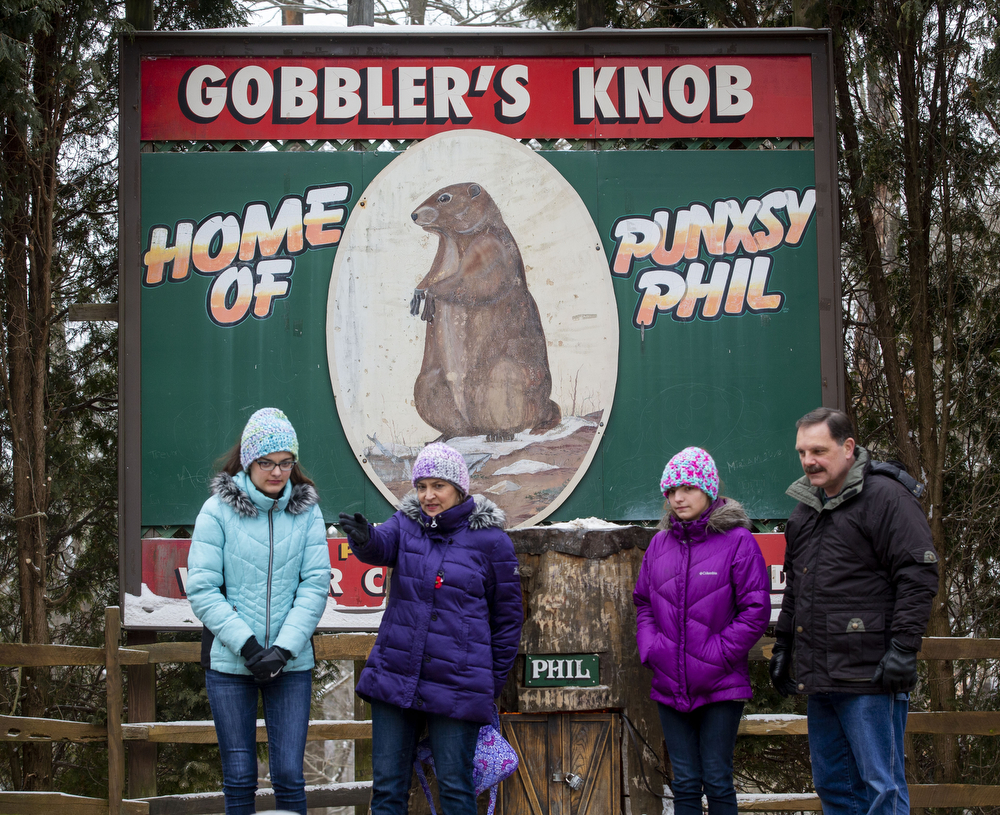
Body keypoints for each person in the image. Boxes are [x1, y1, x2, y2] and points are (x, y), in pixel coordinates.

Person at [769, 407, 939, 815]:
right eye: (802, 452)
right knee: (835, 788)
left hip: (871, 674)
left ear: (848, 447)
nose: (809, 461)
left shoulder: (887, 498)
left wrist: (903, 647)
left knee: (882, 788)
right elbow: (797, 585)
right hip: (820, 676)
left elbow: (918, 573)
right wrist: (784, 645)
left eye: (819, 450)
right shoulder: (805, 510)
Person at [338, 442, 523, 815]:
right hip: (397, 673)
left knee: (456, 788)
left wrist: (490, 684)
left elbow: (507, 621)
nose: (428, 495)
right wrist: (363, 538)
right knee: (388, 787)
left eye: (437, 485)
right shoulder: (406, 525)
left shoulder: (492, 542)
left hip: (459, 682)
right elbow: (381, 546)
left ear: (458, 487)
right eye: (421, 486)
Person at [187, 408, 331, 815]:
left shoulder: (307, 513)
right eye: (267, 462)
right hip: (231, 663)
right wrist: (249, 648)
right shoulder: (217, 511)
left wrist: (283, 650)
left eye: (286, 462)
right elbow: (201, 588)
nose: (277, 472)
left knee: (289, 774)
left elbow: (315, 584)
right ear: (249, 460)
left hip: (291, 664)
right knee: (238, 777)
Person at [633, 446, 770, 815]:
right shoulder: (659, 544)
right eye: (671, 491)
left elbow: (755, 611)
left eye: (688, 488)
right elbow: (643, 602)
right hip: (669, 681)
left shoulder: (738, 541)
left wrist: (718, 654)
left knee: (717, 779)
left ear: (708, 489)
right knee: (686, 783)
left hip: (721, 684)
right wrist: (652, 648)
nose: (678, 498)